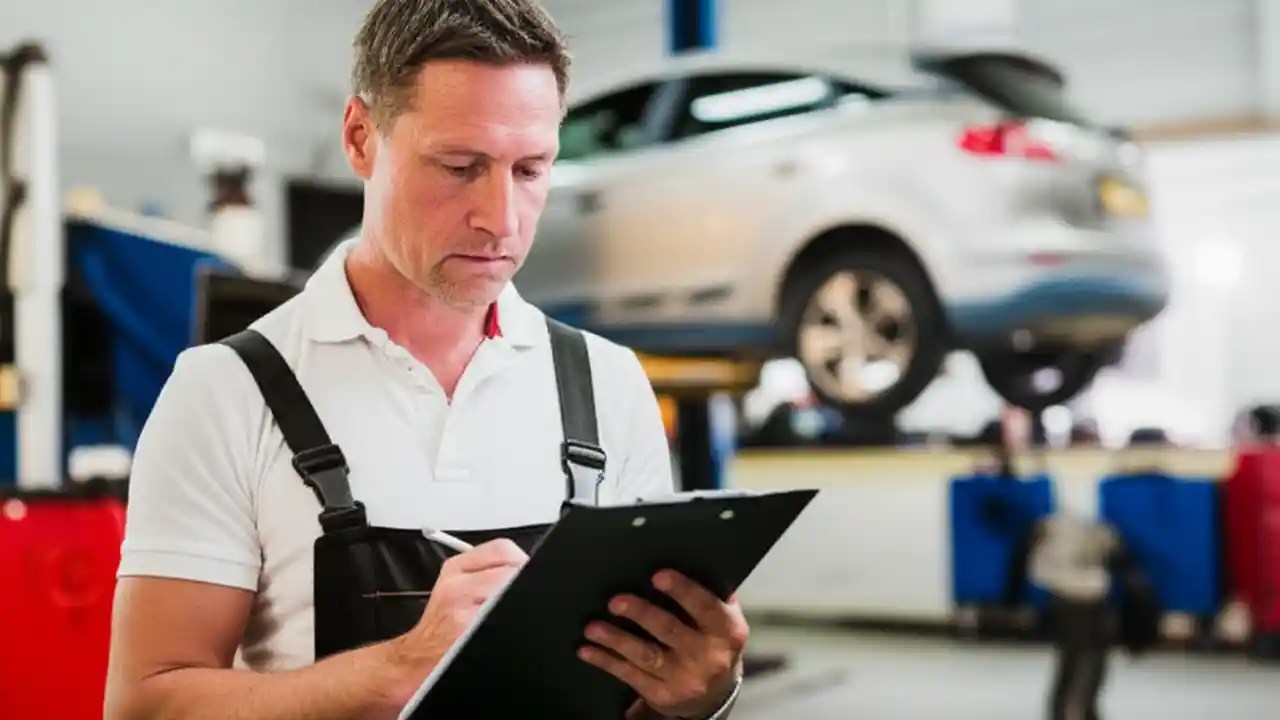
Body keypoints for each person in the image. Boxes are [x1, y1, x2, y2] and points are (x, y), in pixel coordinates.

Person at [103, 2, 747, 718]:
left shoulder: (607, 385)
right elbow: (147, 707)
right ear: (359, 137)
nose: (500, 218)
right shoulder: (224, 393)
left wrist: (696, 696)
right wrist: (398, 667)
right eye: (459, 166)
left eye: (530, 169)